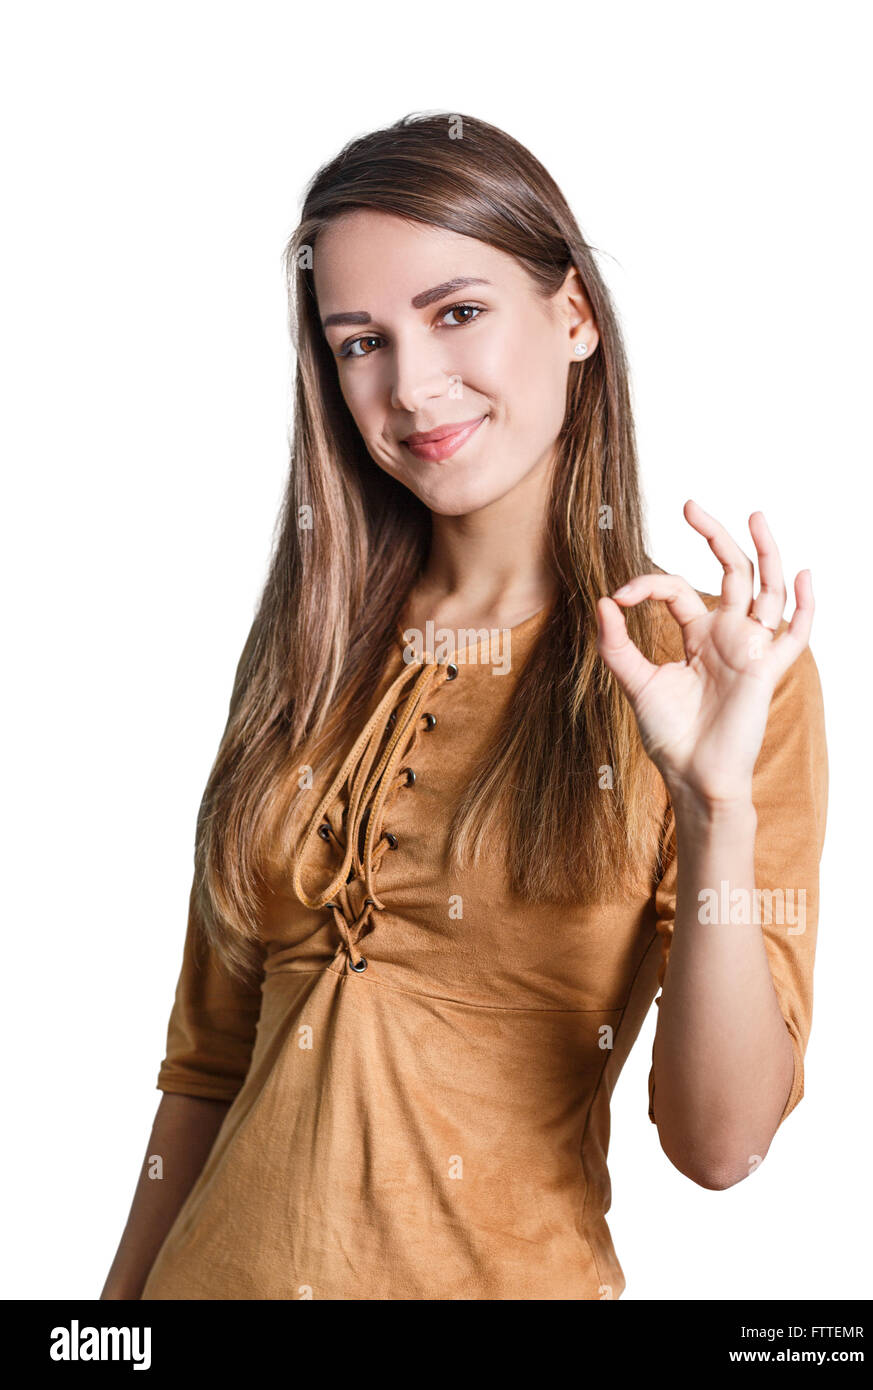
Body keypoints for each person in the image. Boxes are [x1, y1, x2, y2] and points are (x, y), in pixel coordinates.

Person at [101, 111, 828, 1301]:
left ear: (575, 314)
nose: (410, 382)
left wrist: (712, 806)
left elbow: (719, 1145)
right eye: (357, 342)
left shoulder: (720, 675)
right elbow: (205, 1066)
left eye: (456, 312)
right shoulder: (304, 647)